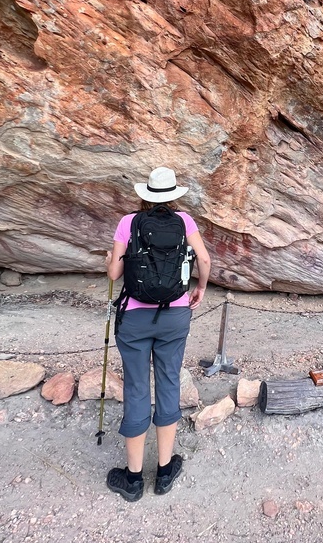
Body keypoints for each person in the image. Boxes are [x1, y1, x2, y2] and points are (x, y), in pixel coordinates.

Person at [103, 166, 211, 501]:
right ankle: (164, 471)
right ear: (174, 196)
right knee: (168, 382)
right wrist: (200, 289)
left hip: (134, 319)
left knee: (136, 388)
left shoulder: (128, 222)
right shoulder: (185, 222)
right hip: (175, 316)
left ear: (144, 195)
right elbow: (204, 261)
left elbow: (114, 273)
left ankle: (133, 479)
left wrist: (110, 260)